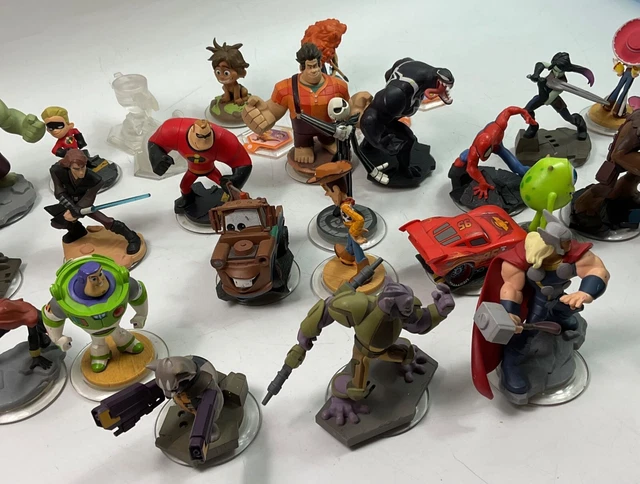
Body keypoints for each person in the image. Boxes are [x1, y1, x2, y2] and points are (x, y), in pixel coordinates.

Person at [47, 149, 142, 254]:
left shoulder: (95, 179)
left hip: (84, 204)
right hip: (68, 201)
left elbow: (89, 198)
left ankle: (133, 238)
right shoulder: (57, 171)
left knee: (107, 221)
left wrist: (76, 212)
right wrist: (71, 208)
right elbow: (59, 192)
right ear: (68, 166)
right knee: (58, 222)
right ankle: (77, 231)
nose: (81, 172)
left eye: (83, 167)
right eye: (76, 169)